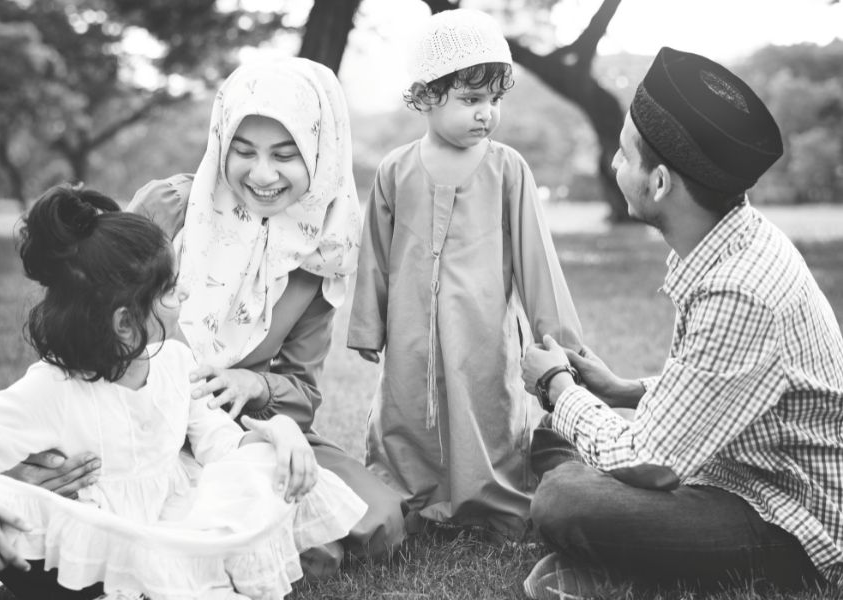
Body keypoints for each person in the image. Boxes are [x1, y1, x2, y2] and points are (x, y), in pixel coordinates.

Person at [6, 57, 407, 576]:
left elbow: (303, 394)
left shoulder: (319, 251)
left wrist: (253, 385)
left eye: (285, 155)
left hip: (240, 434)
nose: (262, 175)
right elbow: (85, 328)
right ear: (221, 142)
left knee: (374, 522)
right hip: (135, 422)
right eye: (243, 152)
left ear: (321, 154)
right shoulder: (171, 208)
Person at [520, 47, 843, 599]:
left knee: (565, 502)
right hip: (727, 467)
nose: (614, 166)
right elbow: (710, 391)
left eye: (622, 155)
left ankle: (635, 569)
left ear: (661, 183)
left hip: (784, 520)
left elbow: (649, 459)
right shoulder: (724, 240)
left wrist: (556, 385)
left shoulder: (742, 289)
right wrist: (623, 391)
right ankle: (620, 552)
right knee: (554, 442)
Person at [0, 185, 367, 600]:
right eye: (169, 289)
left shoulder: (175, 364)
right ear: (125, 324)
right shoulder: (49, 389)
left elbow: (221, 443)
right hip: (91, 551)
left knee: (262, 460)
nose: (183, 292)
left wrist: (280, 432)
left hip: (167, 528)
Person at [347, 8, 583, 539]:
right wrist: (368, 327)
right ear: (427, 96)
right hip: (411, 332)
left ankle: (492, 504)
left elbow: (535, 256)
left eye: (494, 100)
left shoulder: (507, 167)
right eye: (472, 100)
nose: (486, 114)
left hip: (482, 331)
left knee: (488, 415)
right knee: (408, 414)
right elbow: (375, 254)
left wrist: (559, 339)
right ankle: (412, 499)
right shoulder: (395, 169)